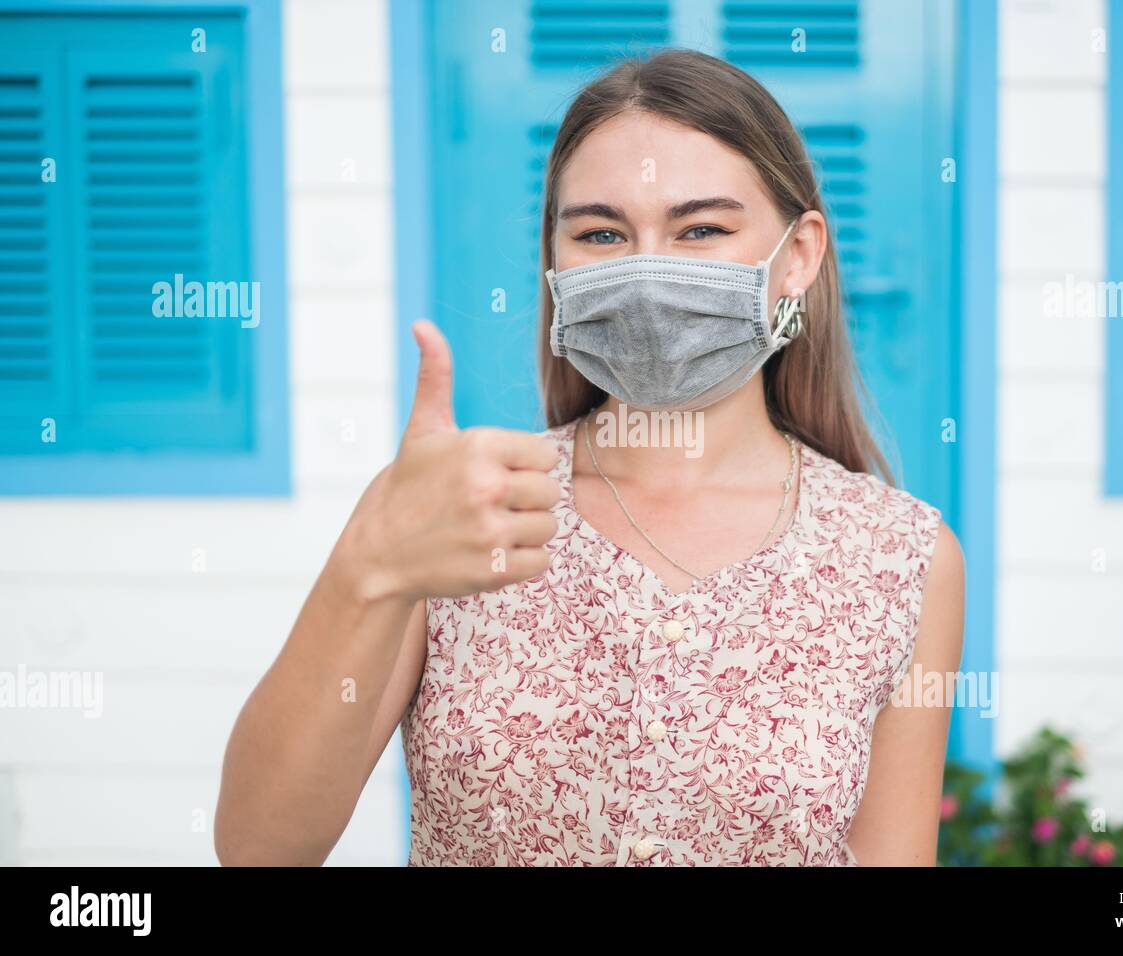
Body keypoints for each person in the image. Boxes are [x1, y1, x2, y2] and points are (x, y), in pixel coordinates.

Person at [215, 49, 964, 867]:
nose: (648, 270)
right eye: (602, 233)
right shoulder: (459, 512)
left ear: (798, 254)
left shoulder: (900, 556)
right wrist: (371, 564)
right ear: (556, 261)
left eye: (701, 229)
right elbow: (260, 850)